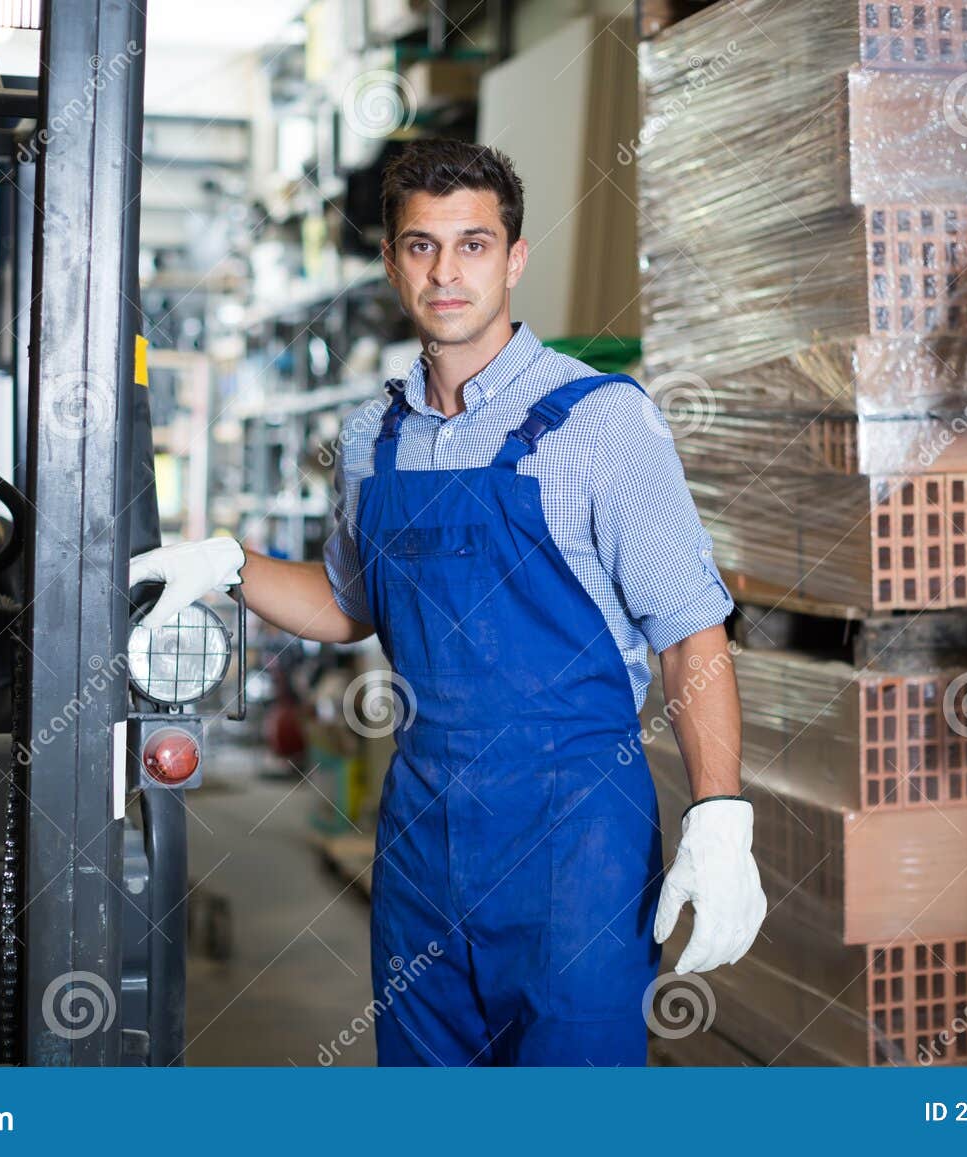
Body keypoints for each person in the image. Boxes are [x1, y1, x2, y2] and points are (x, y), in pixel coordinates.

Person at [130, 139, 765, 1066]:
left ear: (514, 258)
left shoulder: (600, 423)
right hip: (424, 833)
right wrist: (231, 564)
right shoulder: (371, 439)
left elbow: (690, 630)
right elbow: (350, 605)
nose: (447, 271)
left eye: (473, 244)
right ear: (391, 263)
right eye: (422, 246)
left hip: (575, 840)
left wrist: (720, 815)